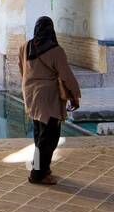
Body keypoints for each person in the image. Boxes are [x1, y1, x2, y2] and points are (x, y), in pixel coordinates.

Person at [18, 16, 81, 185]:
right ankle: (37, 174)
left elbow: (21, 69)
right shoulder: (56, 50)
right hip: (48, 99)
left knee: (40, 135)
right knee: (50, 137)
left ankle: (40, 167)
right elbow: (67, 76)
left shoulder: (25, 47)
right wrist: (75, 96)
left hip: (31, 96)